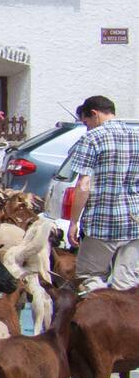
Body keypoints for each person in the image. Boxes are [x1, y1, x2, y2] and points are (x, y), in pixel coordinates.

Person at [62, 94, 139, 291]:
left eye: (86, 122)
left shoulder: (92, 137)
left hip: (103, 222)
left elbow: (84, 184)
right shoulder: (136, 136)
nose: (86, 127)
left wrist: (73, 222)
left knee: (89, 277)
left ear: (94, 114)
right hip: (134, 222)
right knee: (127, 283)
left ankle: (98, 318)